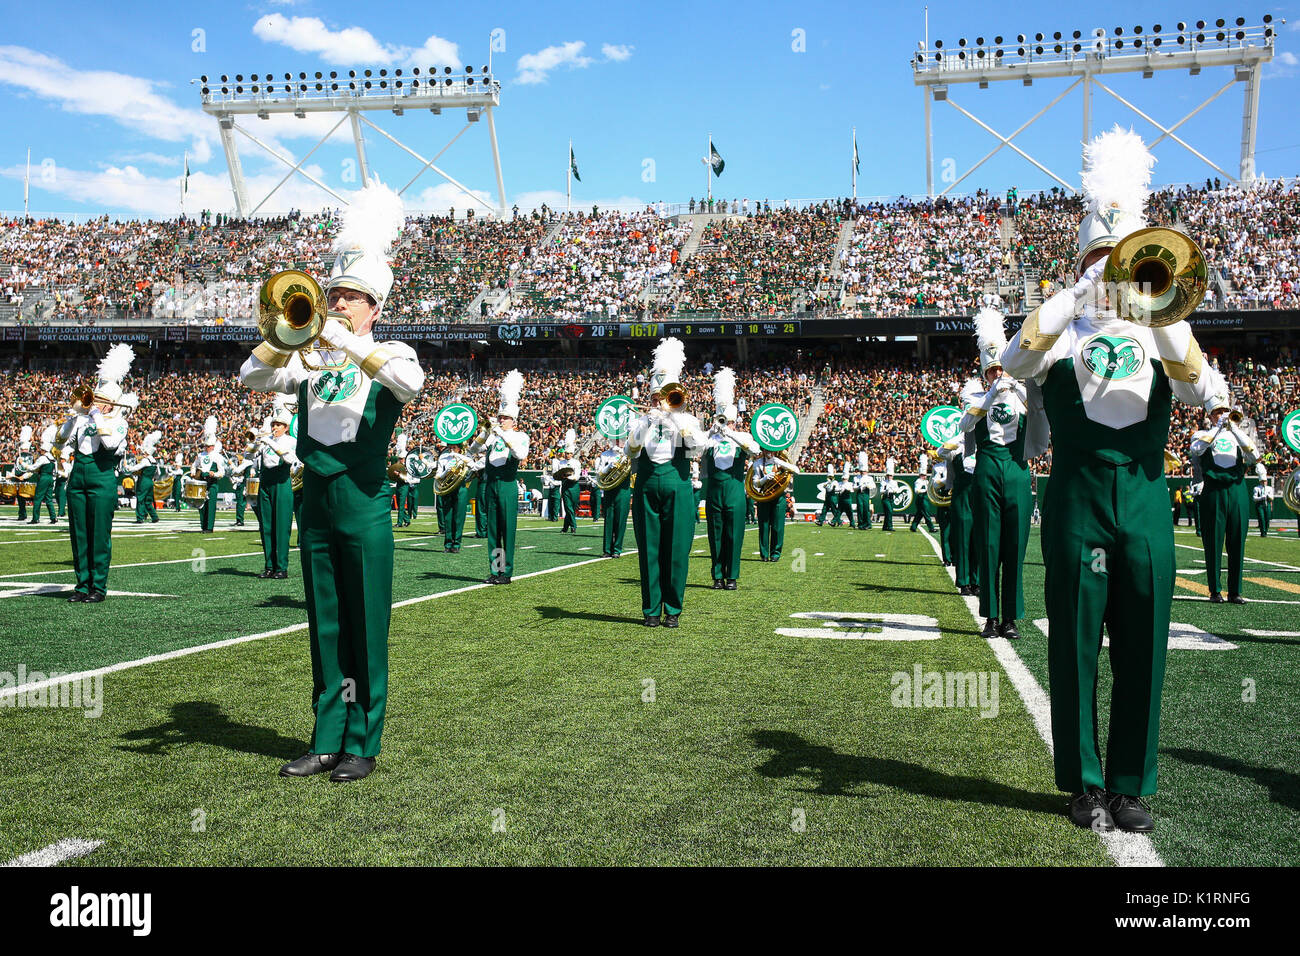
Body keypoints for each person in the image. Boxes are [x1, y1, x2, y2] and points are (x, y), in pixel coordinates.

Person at [1000, 126, 1222, 834]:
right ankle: (1084, 782)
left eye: (1120, 261)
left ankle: (1130, 784)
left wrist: (1155, 312)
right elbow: (1014, 359)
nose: (1112, 273)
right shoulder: (1063, 330)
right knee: (1072, 641)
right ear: (1082, 261)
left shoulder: (1160, 330)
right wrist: (1074, 297)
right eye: (1101, 259)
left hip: (1146, 495)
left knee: (1142, 641)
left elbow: (1199, 387)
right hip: (1076, 498)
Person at [241, 179, 425, 783]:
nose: (338, 303)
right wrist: (285, 336)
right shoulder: (311, 357)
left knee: (366, 620)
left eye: (350, 297)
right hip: (315, 497)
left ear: (374, 307)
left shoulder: (391, 350)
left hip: (364, 498)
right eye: (335, 295)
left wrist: (346, 341)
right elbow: (252, 376)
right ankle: (326, 737)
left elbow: (409, 385)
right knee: (325, 620)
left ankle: (362, 742)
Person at [961, 306, 1032, 640]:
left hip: (1017, 469)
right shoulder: (976, 396)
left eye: (1002, 369)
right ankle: (990, 616)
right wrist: (991, 395)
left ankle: (1011, 618)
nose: (998, 374)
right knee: (988, 542)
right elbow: (965, 425)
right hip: (988, 467)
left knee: (1014, 544)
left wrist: (1015, 389)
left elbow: (1042, 418)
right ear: (984, 374)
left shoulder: (1023, 394)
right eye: (992, 371)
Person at [627, 338, 705, 627]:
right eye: (656, 396)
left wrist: (676, 419)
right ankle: (651, 610)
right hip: (647, 483)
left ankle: (673, 609)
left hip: (678, 482)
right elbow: (630, 449)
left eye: (665, 395)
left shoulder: (687, 420)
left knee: (676, 549)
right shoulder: (640, 421)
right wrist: (649, 421)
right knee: (649, 549)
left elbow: (698, 448)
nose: (659, 401)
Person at [59, 344, 135, 603]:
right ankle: (81, 586)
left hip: (102, 479)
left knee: (99, 535)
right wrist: (71, 419)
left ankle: (98, 587)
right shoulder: (83, 420)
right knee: (79, 532)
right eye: (96, 398)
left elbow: (110, 445)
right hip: (77, 478)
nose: (96, 403)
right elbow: (59, 443)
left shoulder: (119, 423)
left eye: (102, 400)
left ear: (112, 403)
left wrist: (96, 417)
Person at [1191, 400, 1257, 603]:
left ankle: (1235, 591)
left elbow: (1254, 455)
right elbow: (1196, 450)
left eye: (1225, 411)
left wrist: (1234, 428)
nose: (1222, 415)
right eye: (1217, 412)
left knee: (1237, 540)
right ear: (1210, 415)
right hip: (1213, 490)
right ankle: (1215, 590)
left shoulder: (1239, 436)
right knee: (1212, 541)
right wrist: (1217, 428)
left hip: (1237, 490)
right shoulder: (1201, 434)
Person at [469, 370, 530, 584]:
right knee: (493, 530)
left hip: (507, 485)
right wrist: (485, 433)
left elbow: (520, 454)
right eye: (500, 417)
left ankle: (507, 572)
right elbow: (472, 450)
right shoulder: (493, 438)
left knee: (508, 530)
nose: (500, 420)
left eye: (504, 418)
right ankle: (496, 571)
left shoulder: (521, 436)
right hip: (491, 485)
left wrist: (502, 433)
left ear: (513, 420)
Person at [703, 367, 758, 589]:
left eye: (728, 420)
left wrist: (731, 433)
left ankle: (732, 576)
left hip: (735, 490)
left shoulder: (742, 435)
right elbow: (692, 447)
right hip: (715, 490)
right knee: (715, 534)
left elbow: (754, 449)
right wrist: (712, 431)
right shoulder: (711, 438)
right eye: (722, 419)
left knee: (734, 534)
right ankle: (717, 576)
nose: (725, 423)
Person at [250, 406, 298, 580]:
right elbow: (249, 459)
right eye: (273, 424)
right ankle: (269, 566)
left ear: (285, 427)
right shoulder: (266, 440)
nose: (274, 427)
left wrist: (270, 443)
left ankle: (281, 567)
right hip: (265, 482)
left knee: (281, 525)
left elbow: (289, 459)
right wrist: (254, 445)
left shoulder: (290, 441)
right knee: (266, 526)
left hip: (281, 482)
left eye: (278, 425)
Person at [751, 450, 800, 561]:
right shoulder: (757, 463)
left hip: (779, 497)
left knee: (778, 526)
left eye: (772, 449)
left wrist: (780, 463)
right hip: (764, 496)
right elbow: (755, 482)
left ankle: (775, 554)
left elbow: (797, 471)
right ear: (763, 450)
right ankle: (764, 554)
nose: (770, 452)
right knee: (763, 526)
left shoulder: (781, 461)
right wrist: (764, 479)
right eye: (767, 449)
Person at [435, 441, 473, 552]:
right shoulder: (444, 457)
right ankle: (447, 544)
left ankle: (456, 544)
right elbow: (438, 475)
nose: (451, 449)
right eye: (450, 447)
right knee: (448, 516)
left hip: (460, 487)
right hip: (447, 486)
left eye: (454, 447)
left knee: (459, 517)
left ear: (459, 448)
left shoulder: (465, 456)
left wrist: (458, 456)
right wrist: (445, 472)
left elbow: (473, 466)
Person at [190, 418, 226, 534]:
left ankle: (209, 527)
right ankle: (203, 526)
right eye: (206, 445)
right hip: (202, 482)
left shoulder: (218, 457)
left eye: (209, 446)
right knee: (201, 505)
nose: (207, 447)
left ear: (213, 446)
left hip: (212, 483)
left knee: (211, 506)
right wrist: (193, 471)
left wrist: (214, 474)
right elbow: (194, 465)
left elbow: (222, 472)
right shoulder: (200, 455)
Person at [595, 442, 631, 557]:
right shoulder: (605, 454)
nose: (617, 442)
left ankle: (617, 549)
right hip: (609, 488)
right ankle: (607, 549)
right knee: (609, 518)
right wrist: (608, 467)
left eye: (619, 439)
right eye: (615, 439)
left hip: (623, 489)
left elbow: (635, 469)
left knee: (620, 519)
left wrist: (625, 455)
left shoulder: (629, 452)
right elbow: (599, 473)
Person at [19, 425, 58, 525]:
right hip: (51, 478)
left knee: (38, 498)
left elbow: (32, 468)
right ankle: (53, 517)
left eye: (41, 449)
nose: (40, 450)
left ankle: (35, 518)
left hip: (44, 478)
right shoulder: (53, 458)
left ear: (43, 450)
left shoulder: (43, 458)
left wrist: (22, 463)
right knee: (49, 499)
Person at [125, 431, 162, 524]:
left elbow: (136, 468)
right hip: (150, 481)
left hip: (144, 480)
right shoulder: (154, 461)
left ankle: (140, 518)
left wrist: (127, 467)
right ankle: (154, 517)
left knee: (140, 499)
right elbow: (159, 473)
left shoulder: (146, 460)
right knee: (148, 500)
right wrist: (153, 479)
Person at [559, 429, 580, 534]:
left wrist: (571, 477)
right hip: (566, 487)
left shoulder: (576, 463)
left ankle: (565, 527)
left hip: (574, 486)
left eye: (569, 453)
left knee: (572, 507)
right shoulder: (561, 463)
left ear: (572, 454)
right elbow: (558, 475)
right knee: (568, 507)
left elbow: (577, 475)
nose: (567, 455)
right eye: (566, 453)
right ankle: (574, 526)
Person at [229, 450, 255, 527]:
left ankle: (239, 520)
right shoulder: (254, 461)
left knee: (240, 502)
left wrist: (231, 464)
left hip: (245, 483)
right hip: (251, 483)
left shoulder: (247, 462)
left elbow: (237, 470)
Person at [1252, 464, 1272, 537]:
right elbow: (1254, 498)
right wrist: (1261, 498)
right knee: (1261, 518)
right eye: (1262, 481)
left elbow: (1272, 497)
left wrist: (1269, 496)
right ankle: (1262, 532)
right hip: (1260, 505)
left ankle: (1266, 531)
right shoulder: (1256, 488)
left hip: (1267, 504)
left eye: (1265, 481)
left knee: (1267, 518)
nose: (1264, 483)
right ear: (1260, 481)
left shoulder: (1269, 488)